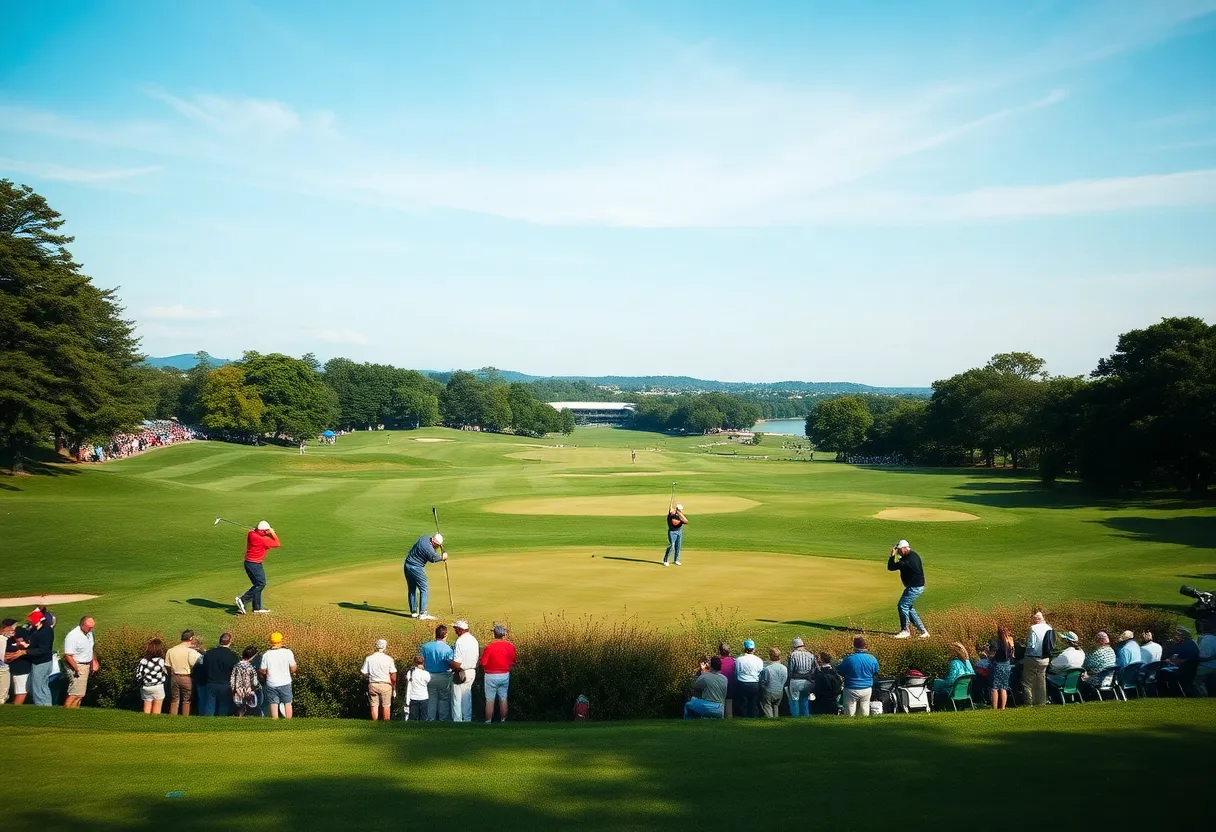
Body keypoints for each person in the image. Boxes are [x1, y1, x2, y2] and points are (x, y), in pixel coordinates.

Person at [235, 521, 280, 615]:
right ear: (263, 531)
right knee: (261, 584)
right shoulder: (263, 541)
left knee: (257, 585)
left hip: (248, 563)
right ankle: (242, 599)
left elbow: (253, 530)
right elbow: (277, 543)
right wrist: (272, 533)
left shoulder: (251, 534)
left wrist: (264, 531)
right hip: (255, 565)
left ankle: (257, 608)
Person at [887, 540, 929, 639]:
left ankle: (905, 630)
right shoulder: (913, 555)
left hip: (914, 587)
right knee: (908, 608)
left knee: (902, 605)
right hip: (916, 586)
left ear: (904, 548)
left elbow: (890, 567)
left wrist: (892, 556)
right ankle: (923, 632)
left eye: (899, 550)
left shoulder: (906, 562)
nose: (899, 552)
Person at [404, 533, 447, 620]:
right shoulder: (429, 550)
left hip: (407, 564)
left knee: (412, 589)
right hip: (416, 568)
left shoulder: (424, 538)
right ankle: (423, 613)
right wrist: (443, 557)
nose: (438, 547)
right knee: (424, 589)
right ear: (434, 543)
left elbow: (432, 551)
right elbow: (433, 559)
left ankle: (414, 612)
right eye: (438, 545)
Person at [479, 624, 516, 723]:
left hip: (490, 675)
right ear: (503, 634)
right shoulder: (510, 646)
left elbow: (483, 663)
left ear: (494, 634)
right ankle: (503, 720)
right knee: (503, 698)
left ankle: (488, 722)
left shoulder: (490, 647)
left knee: (490, 700)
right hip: (504, 674)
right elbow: (513, 661)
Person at [63, 616, 98, 708]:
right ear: (82, 625)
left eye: (92, 627)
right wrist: (77, 669)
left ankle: (74, 713)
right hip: (77, 665)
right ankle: (66, 713)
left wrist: (94, 661)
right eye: (89, 627)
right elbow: (68, 655)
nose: (91, 629)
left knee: (80, 694)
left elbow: (91, 648)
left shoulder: (89, 634)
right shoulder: (73, 636)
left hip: (85, 665)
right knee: (75, 693)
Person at [838, 636, 880, 716]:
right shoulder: (872, 658)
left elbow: (840, 671)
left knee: (850, 710)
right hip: (867, 687)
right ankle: (864, 725)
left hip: (851, 687)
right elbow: (876, 671)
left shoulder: (849, 659)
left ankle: (850, 725)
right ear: (865, 645)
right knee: (865, 707)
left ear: (854, 646)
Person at [259, 632, 297, 719]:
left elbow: (263, 670)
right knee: (287, 702)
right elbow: (293, 668)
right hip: (285, 682)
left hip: (271, 682)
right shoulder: (288, 652)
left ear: (270, 642)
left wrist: (265, 674)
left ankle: (275, 721)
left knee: (273, 703)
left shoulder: (266, 655)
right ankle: (288, 721)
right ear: (281, 641)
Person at [200, 633, 239, 717]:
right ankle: (221, 723)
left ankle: (208, 724)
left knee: (210, 706)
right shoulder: (232, 656)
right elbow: (236, 671)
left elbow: (204, 667)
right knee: (223, 706)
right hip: (226, 684)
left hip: (211, 682)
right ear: (230, 642)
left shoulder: (209, 653)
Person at [165, 630, 202, 716]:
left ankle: (172, 716)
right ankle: (185, 717)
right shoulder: (190, 651)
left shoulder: (171, 650)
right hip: (186, 677)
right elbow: (197, 662)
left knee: (174, 699)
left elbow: (167, 665)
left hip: (174, 676)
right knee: (187, 700)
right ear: (191, 638)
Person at [1022, 610, 1055, 706]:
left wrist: (1024, 652)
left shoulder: (1033, 628)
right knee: (1041, 681)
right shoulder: (1049, 628)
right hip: (1045, 658)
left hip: (1032, 657)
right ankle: (1041, 702)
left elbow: (1031, 644)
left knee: (1027, 682)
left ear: (1035, 619)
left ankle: (1029, 702)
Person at [24, 608, 56, 706]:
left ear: (37, 621)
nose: (30, 622)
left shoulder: (45, 632)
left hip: (41, 663)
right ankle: (47, 706)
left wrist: (27, 651)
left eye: (31, 620)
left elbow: (43, 649)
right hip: (43, 662)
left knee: (37, 688)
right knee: (43, 686)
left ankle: (40, 707)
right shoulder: (39, 630)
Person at [422, 624, 454, 721]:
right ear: (445, 635)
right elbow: (450, 662)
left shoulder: (426, 647)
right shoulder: (448, 649)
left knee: (431, 698)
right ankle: (443, 719)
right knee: (444, 698)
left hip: (429, 675)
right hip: (443, 675)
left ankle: (431, 718)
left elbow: (421, 660)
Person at [361, 638, 398, 721]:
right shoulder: (389, 659)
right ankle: (386, 722)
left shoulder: (369, 658)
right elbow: (393, 674)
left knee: (374, 704)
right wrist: (394, 686)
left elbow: (364, 672)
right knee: (386, 705)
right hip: (385, 684)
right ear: (385, 647)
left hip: (373, 683)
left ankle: (375, 721)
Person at [450, 620, 479, 723]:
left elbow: (457, 663)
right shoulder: (474, 640)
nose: (455, 631)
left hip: (461, 672)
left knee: (457, 697)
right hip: (472, 671)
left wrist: (449, 662)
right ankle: (467, 719)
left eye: (456, 629)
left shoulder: (460, 641)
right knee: (467, 696)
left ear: (461, 630)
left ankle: (457, 720)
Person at [786, 637, 818, 717]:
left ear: (794, 646)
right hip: (807, 680)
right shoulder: (811, 655)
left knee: (795, 700)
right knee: (804, 699)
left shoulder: (793, 655)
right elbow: (814, 669)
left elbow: (790, 670)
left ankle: (796, 717)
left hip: (795, 680)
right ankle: (806, 716)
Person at [135, 638, 168, 714]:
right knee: (157, 706)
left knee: (147, 705)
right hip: (158, 686)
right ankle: (154, 723)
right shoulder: (161, 661)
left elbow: (138, 675)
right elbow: (165, 673)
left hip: (146, 686)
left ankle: (146, 722)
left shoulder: (143, 661)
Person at [733, 639, 763, 718]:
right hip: (754, 684)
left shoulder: (739, 660)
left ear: (744, 648)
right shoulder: (758, 660)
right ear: (754, 649)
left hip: (742, 683)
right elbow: (760, 672)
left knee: (742, 703)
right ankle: (753, 717)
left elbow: (737, 671)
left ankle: (743, 717)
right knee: (753, 703)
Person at [6, 618, 31, 705]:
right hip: (20, 670)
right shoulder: (9, 642)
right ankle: (15, 708)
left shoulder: (9, 639)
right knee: (22, 692)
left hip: (19, 668)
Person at [990, 625, 1015, 710]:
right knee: (1004, 687)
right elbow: (1012, 654)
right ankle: (1003, 707)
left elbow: (992, 655)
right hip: (1007, 665)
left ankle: (995, 708)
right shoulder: (1009, 641)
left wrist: (988, 655)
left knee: (995, 687)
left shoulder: (996, 641)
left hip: (998, 665)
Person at [231, 646, 260, 717]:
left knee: (239, 709)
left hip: (238, 691)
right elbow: (254, 681)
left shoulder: (236, 665)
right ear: (252, 656)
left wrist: (233, 690)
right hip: (248, 691)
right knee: (249, 709)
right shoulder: (250, 667)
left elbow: (232, 678)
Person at [759, 647, 788, 718]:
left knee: (767, 705)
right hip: (780, 691)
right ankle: (776, 719)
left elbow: (764, 681)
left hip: (769, 691)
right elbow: (785, 679)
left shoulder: (768, 668)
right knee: (776, 706)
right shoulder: (784, 668)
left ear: (770, 656)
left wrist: (762, 686)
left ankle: (770, 719)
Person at [405, 656, 430, 721]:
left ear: (414, 663)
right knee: (424, 717)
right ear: (423, 663)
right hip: (424, 697)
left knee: (413, 717)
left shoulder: (410, 673)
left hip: (413, 697)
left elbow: (408, 681)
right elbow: (428, 681)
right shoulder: (426, 673)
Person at [0, 619, 18, 705]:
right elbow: (4, 659)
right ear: (6, 628)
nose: (13, 629)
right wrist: (17, 654)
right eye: (12, 627)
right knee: (2, 696)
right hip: (2, 670)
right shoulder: (2, 639)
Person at [717, 643, 736, 718]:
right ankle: (728, 716)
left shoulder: (717, 661)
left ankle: (721, 716)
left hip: (719, 686)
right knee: (728, 701)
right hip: (730, 685)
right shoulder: (733, 661)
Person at [1196, 627, 1216, 697]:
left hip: (1205, 668)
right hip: (1213, 668)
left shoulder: (1207, 639)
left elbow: (1203, 657)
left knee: (1195, 684)